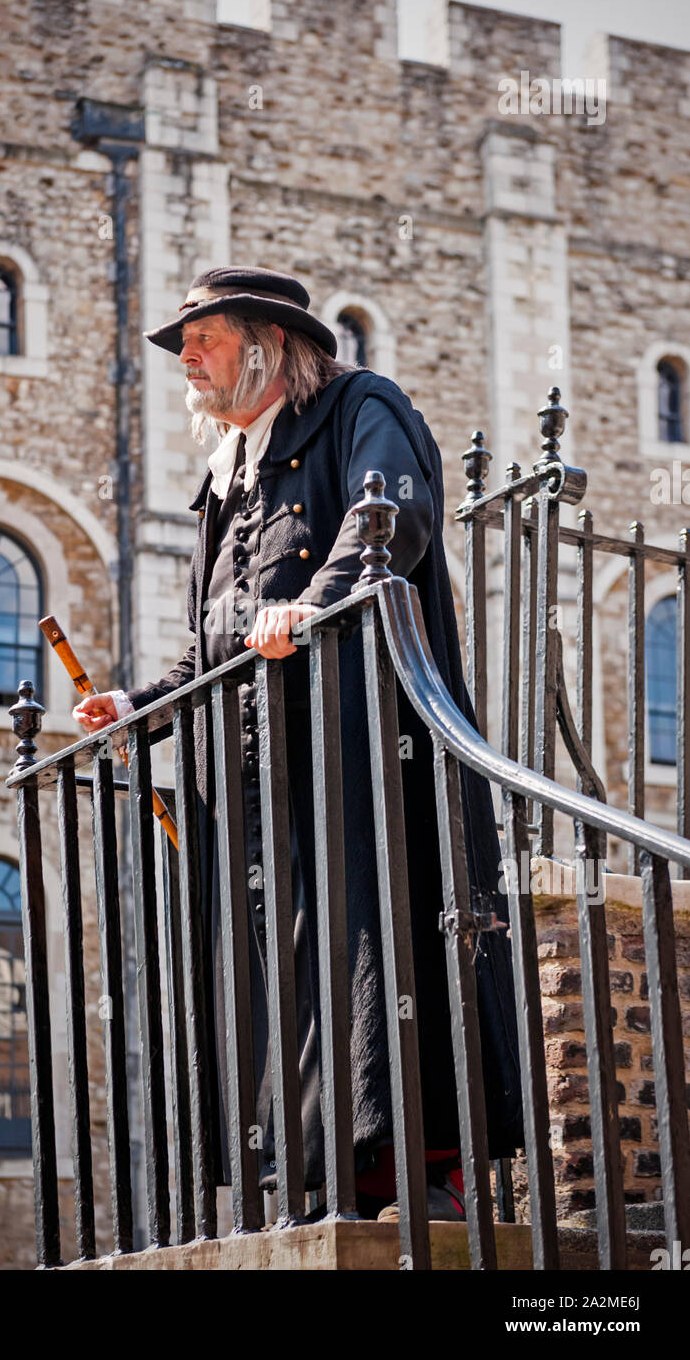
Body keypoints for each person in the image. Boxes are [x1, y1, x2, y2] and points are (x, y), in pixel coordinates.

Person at [74, 266, 524, 1220]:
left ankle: (416, 1176)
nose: (186, 357)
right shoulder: (224, 482)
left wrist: (311, 607)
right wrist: (139, 703)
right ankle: (311, 1181)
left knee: (375, 942)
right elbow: (216, 641)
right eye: (182, 343)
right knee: (273, 967)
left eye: (204, 337)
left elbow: (387, 519)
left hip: (361, 747)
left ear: (270, 346)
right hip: (252, 781)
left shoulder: (366, 405)